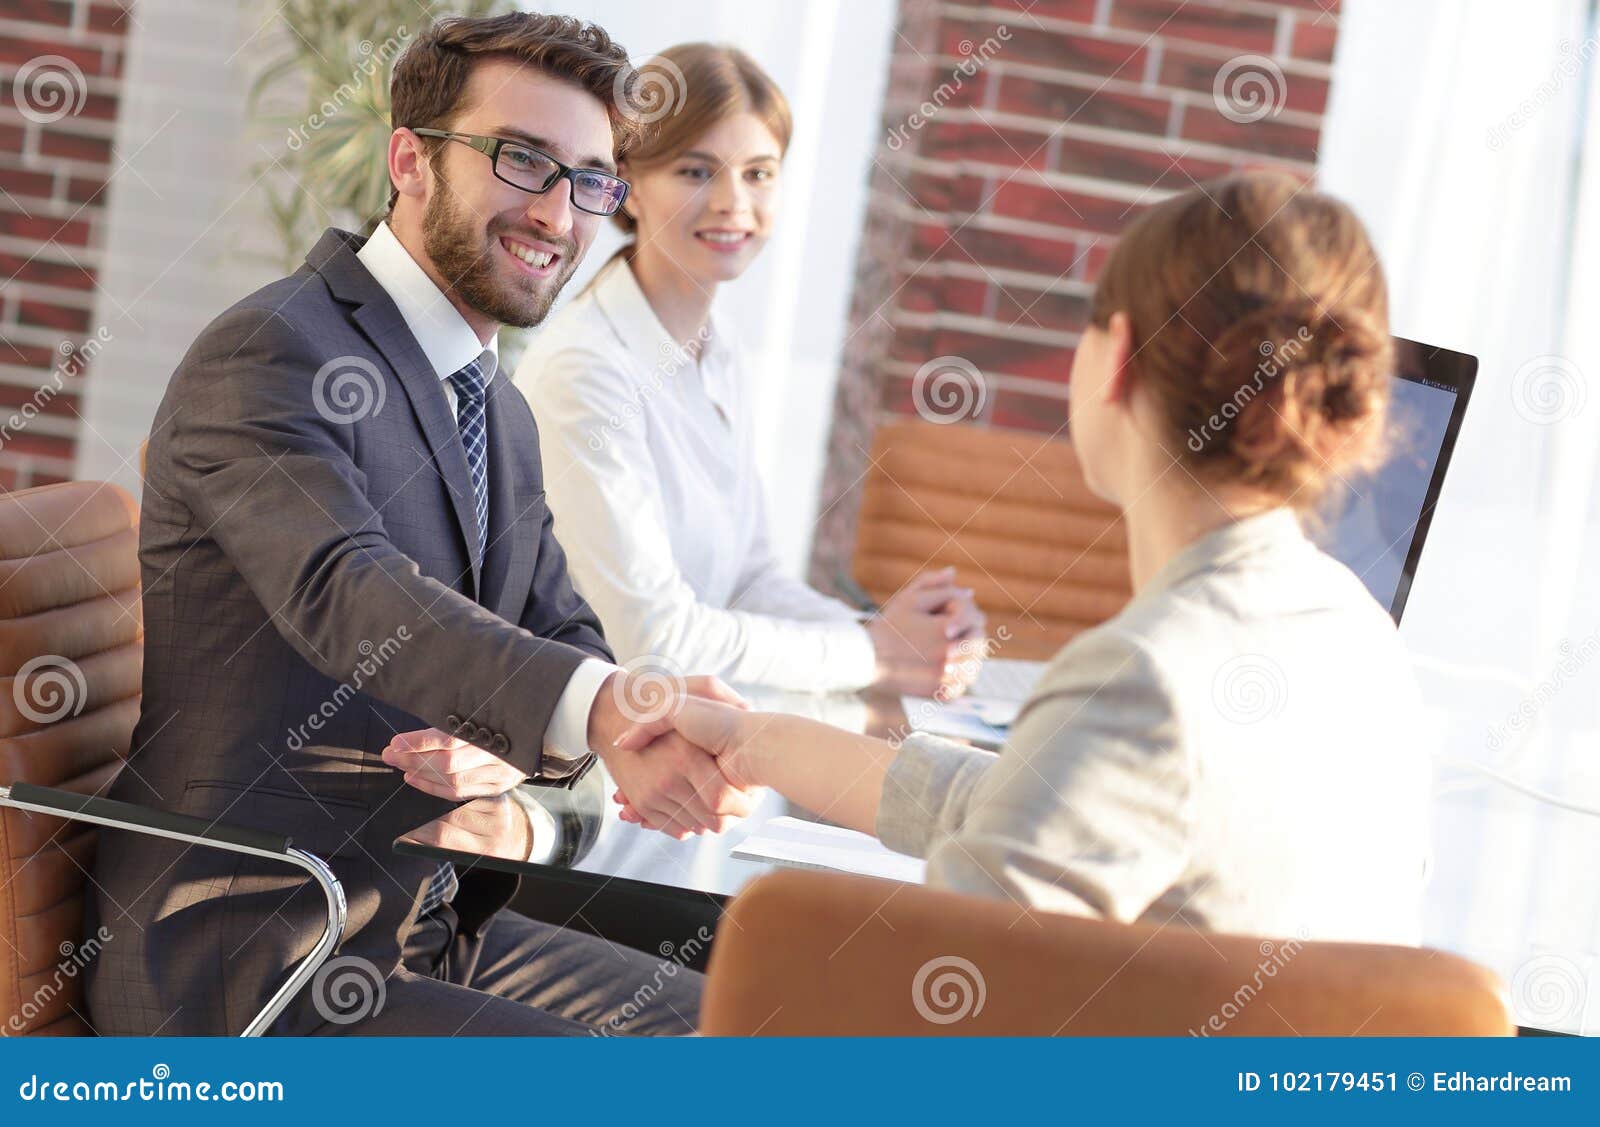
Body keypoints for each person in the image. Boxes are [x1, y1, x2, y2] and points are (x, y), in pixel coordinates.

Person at [87, 12, 747, 1038]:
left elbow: (563, 630)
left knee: (738, 1024)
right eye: (522, 160)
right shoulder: (272, 351)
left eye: (589, 179)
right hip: (249, 954)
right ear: (410, 159)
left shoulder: (495, 405)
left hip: (415, 920)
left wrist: (522, 757)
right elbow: (350, 588)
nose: (557, 213)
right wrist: (608, 710)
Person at [616, 172, 1433, 945]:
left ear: (1116, 358)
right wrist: (751, 739)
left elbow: (944, 999)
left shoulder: (1142, 678)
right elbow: (1016, 806)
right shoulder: (1363, 637)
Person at [516, 44, 983, 699]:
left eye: (759, 173)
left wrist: (904, 640)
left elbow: (750, 579)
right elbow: (656, 641)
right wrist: (873, 651)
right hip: (592, 763)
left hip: (695, 736)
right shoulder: (585, 373)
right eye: (697, 171)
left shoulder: (717, 349)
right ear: (630, 184)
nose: (734, 203)